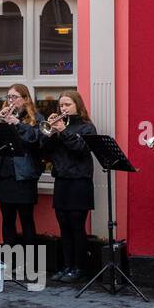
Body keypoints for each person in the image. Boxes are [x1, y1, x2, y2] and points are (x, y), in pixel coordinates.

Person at [41, 91, 97, 282]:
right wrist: (51, 134)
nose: (63, 108)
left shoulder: (87, 128)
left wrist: (63, 130)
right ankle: (66, 266)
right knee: (63, 226)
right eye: (61, 105)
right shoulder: (58, 127)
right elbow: (46, 152)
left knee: (76, 226)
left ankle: (78, 268)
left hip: (80, 182)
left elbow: (81, 150)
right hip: (62, 181)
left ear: (77, 105)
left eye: (67, 105)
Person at [0, 84, 43, 250]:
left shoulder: (36, 117)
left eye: (15, 97)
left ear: (25, 99)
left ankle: (30, 262)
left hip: (24, 176)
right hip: (6, 175)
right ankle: (10, 259)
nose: (11, 100)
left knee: (26, 218)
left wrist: (17, 123)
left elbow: (35, 139)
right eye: (9, 97)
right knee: (7, 219)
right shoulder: (6, 115)